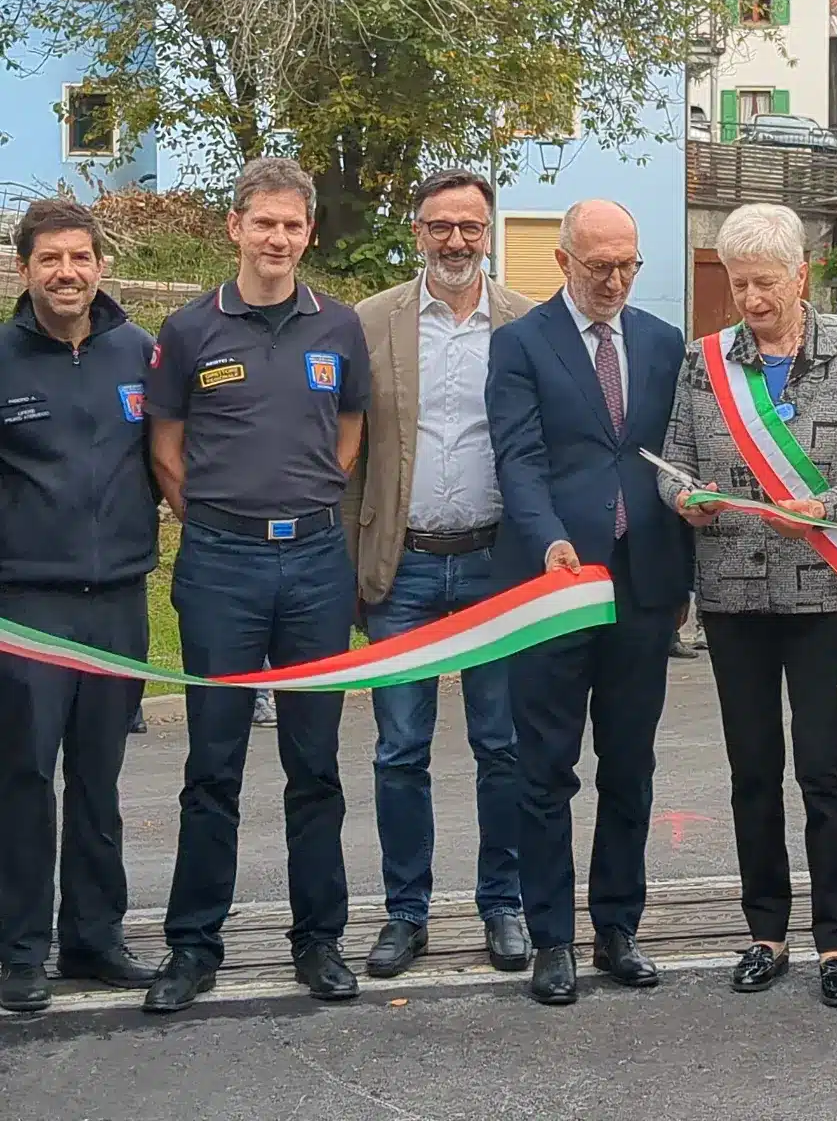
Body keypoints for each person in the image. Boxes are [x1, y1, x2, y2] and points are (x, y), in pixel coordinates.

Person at [142, 157, 371, 1014]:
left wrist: (307, 497)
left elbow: (349, 427)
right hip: (221, 567)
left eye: (293, 226)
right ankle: (192, 948)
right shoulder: (190, 329)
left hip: (314, 566)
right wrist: (224, 520)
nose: (278, 239)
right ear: (234, 227)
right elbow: (166, 449)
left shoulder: (339, 327)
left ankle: (319, 942)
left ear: (309, 234)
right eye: (263, 223)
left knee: (315, 765)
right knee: (213, 765)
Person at [659, 203, 837, 1008]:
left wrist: (831, 504)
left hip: (822, 591)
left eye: (766, 282)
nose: (751, 299)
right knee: (751, 771)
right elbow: (676, 459)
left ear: (803, 274)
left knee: (825, 772)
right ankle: (766, 931)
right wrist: (683, 496)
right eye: (739, 282)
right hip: (733, 593)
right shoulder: (705, 360)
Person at [487, 199, 690, 1006]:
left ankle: (617, 927)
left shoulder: (662, 343)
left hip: (642, 589)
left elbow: (675, 456)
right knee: (544, 771)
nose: (613, 280)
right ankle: (552, 939)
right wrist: (546, 541)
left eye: (627, 266)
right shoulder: (520, 344)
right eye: (599, 265)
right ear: (562, 261)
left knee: (630, 766)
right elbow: (519, 459)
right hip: (555, 586)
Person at [344, 169, 532, 980]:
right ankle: (405, 913)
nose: (455, 240)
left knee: (504, 746)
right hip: (404, 565)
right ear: (415, 230)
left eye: (470, 225)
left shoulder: (526, 323)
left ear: (489, 231)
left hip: (497, 565)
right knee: (398, 751)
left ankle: (503, 905)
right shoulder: (369, 323)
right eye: (439, 225)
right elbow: (344, 453)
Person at [0, 200, 160, 1014]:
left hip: (119, 603)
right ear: (24, 269)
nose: (67, 272)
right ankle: (21, 949)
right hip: (26, 604)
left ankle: (95, 938)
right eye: (50, 259)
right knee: (25, 778)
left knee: (100, 780)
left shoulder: (139, 353)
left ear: (100, 265)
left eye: (81, 258)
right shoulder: (1, 360)